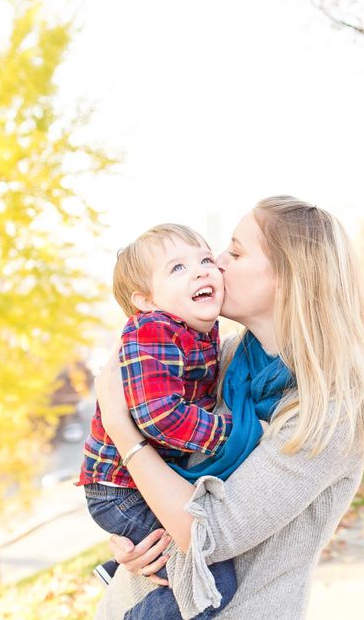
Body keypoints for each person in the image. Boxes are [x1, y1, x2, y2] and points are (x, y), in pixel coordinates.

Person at [93, 196, 364, 619]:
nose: (217, 264)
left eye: (235, 252)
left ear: (288, 275)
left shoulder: (330, 412)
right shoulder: (222, 360)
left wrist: (122, 427)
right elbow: (156, 471)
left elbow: (207, 532)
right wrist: (132, 537)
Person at [80, 222, 274, 619]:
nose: (204, 270)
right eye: (178, 268)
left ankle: (116, 568)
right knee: (211, 585)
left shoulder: (198, 332)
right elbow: (161, 417)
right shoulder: (153, 331)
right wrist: (237, 435)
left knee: (186, 562)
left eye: (205, 259)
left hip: (139, 478)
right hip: (119, 489)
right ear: (145, 300)